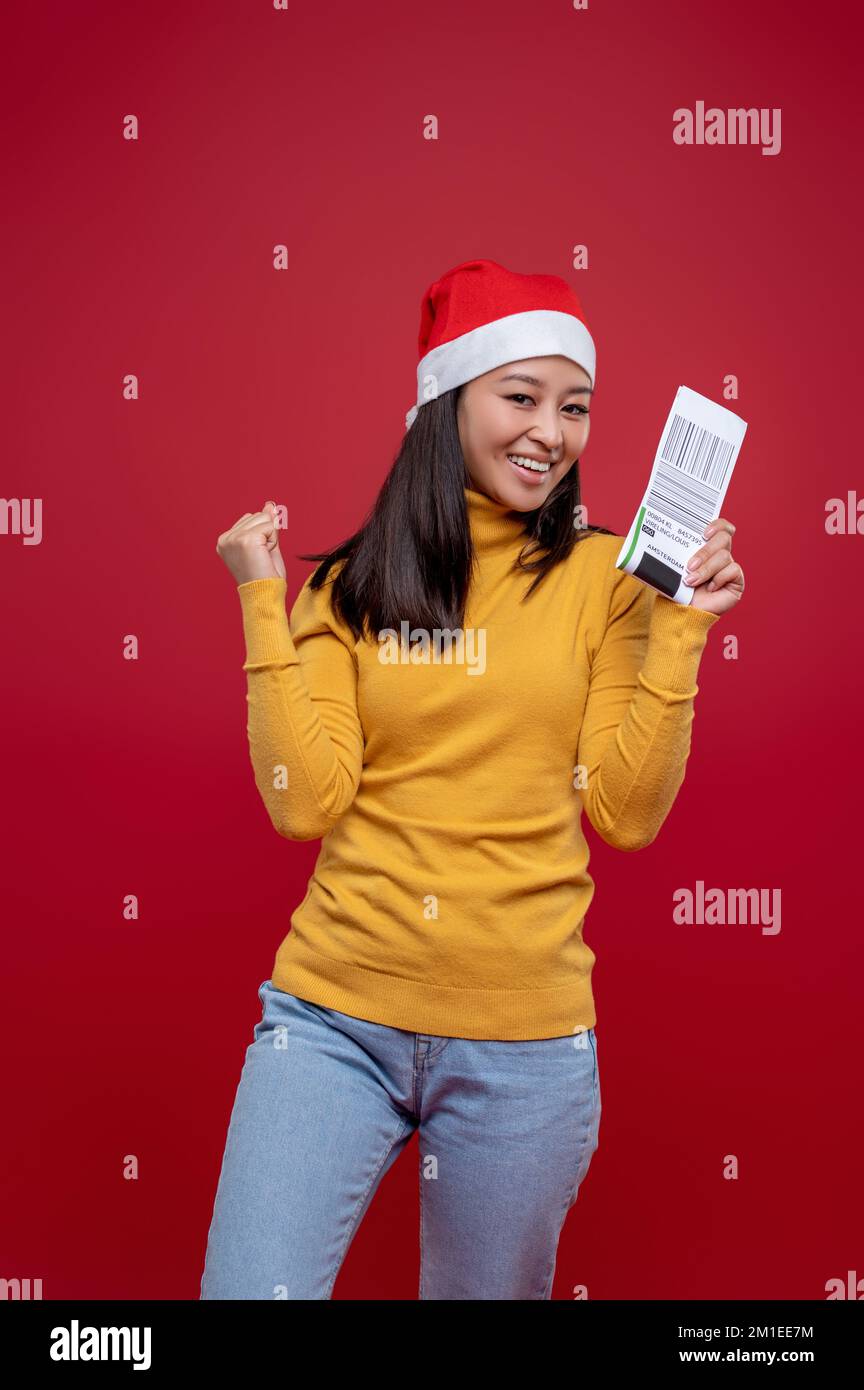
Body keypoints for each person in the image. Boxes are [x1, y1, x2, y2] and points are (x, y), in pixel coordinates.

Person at [201, 258, 745, 1300]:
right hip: (331, 1020)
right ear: (448, 400)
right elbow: (302, 800)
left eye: (576, 406)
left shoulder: (607, 581)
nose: (552, 430)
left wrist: (678, 633)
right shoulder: (342, 587)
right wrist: (263, 605)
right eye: (522, 396)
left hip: (524, 1046)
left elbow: (624, 817)